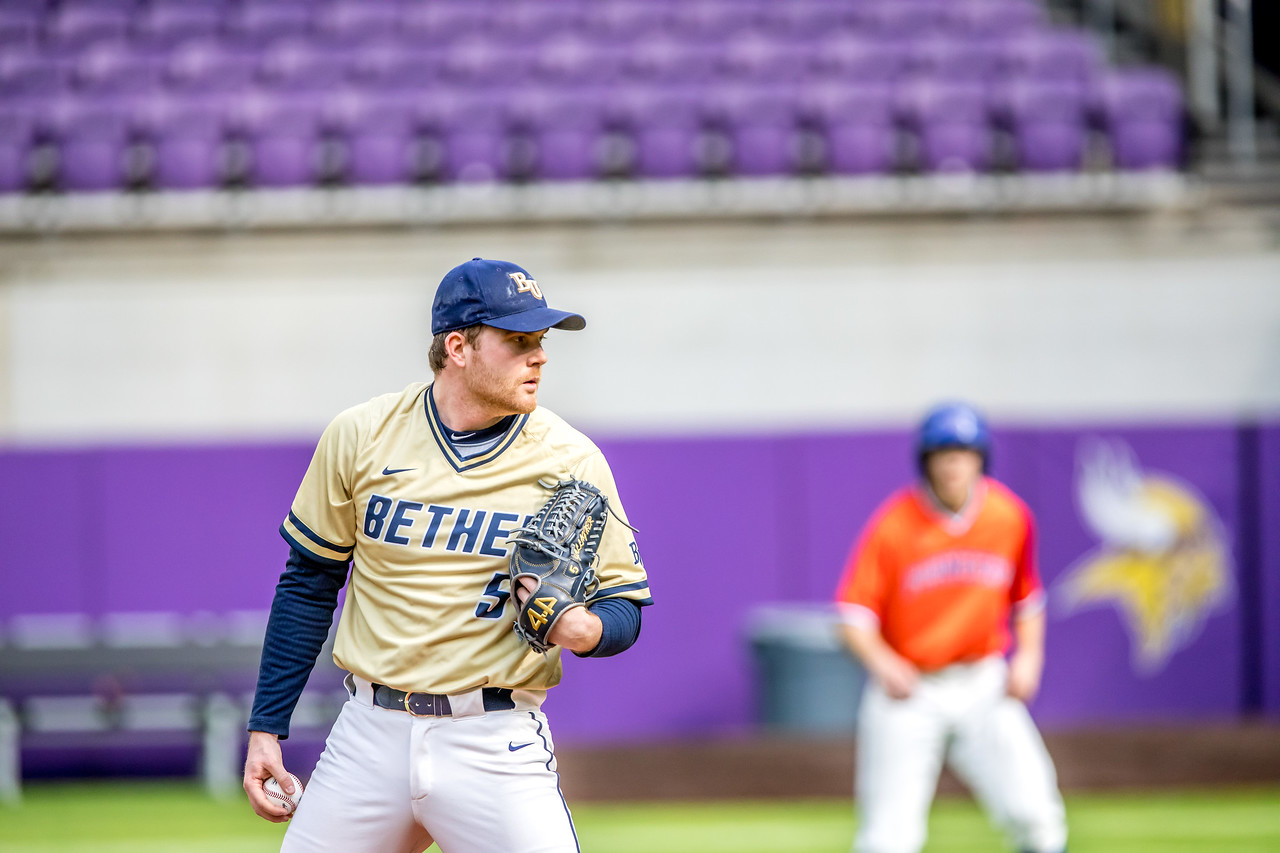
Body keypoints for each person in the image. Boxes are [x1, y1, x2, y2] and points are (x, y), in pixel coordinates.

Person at [243, 258, 653, 853]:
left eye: (541, 340)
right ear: (458, 347)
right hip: (368, 733)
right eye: (518, 341)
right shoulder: (362, 435)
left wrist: (585, 627)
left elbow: (627, 606)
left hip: (494, 737)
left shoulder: (571, 459)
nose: (539, 355)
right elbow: (308, 582)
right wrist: (266, 727)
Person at [834, 402, 1067, 853]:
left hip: (982, 680)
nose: (954, 463)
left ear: (981, 457)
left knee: (1038, 816)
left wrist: (1031, 656)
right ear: (926, 461)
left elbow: (1027, 598)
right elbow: (853, 615)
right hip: (911, 690)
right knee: (888, 838)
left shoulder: (1008, 516)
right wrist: (883, 662)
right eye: (943, 453)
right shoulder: (894, 525)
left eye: (963, 452)